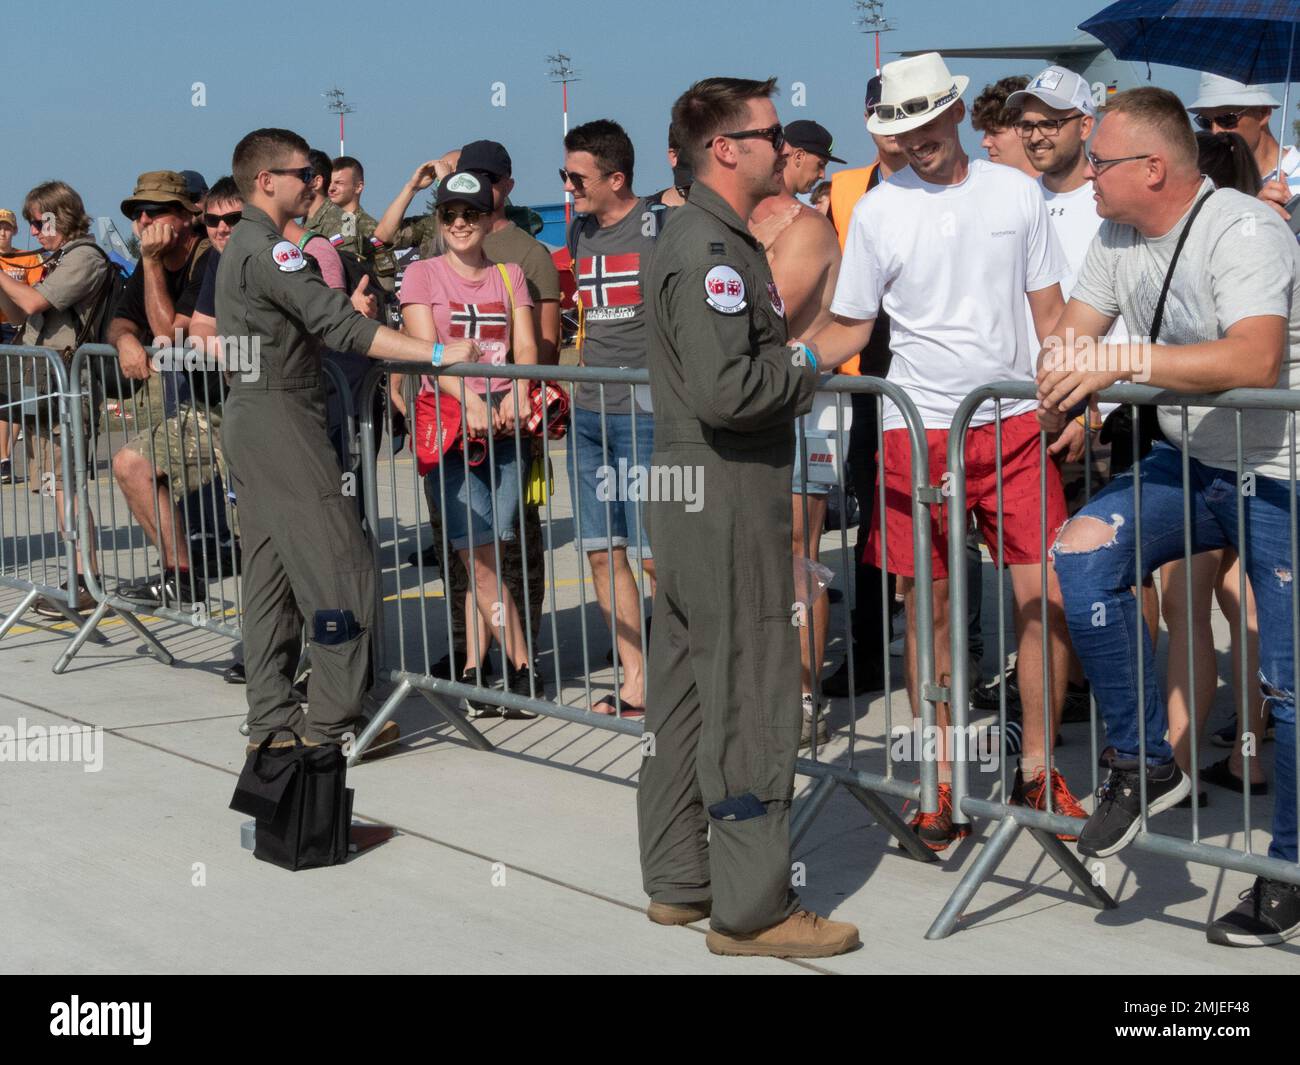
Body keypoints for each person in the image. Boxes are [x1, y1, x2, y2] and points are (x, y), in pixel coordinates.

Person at [1037, 88, 1300, 945]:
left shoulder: (1247, 231)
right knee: (1080, 555)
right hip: (1191, 457)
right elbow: (1074, 336)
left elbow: (1257, 356)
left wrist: (1119, 363)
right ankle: (1142, 760)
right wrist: (1064, 383)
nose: (1089, 177)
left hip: (1281, 469)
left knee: (1288, 685)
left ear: (1153, 168)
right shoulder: (1115, 235)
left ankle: (1291, 869)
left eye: (1100, 162)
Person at [805, 52, 1083, 850]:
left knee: (1045, 599)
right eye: (899, 126)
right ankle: (942, 782)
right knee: (927, 613)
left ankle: (1036, 766)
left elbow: (1052, 310)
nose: (916, 138)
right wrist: (788, 365)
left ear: (957, 114)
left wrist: (1070, 391)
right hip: (913, 427)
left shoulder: (1017, 190)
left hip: (1019, 423)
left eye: (927, 121)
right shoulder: (878, 210)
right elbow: (852, 327)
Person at [639, 75, 859, 958]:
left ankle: (680, 880)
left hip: (693, 485)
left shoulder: (696, 235)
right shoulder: (714, 253)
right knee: (753, 695)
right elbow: (732, 391)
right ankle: (754, 905)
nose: (787, 148)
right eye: (769, 135)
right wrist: (813, 367)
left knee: (687, 690)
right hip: (726, 487)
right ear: (727, 149)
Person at [214, 127, 479, 755]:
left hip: (256, 414)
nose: (313, 183)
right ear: (266, 181)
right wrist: (437, 353)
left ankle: (274, 725)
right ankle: (333, 724)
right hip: (281, 418)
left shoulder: (245, 248)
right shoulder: (271, 251)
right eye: (303, 173)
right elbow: (340, 325)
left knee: (271, 578)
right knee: (346, 571)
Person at [391, 169, 542, 712]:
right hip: (450, 430)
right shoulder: (422, 276)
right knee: (476, 556)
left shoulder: (510, 275)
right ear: (438, 220)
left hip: (505, 428)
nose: (459, 223)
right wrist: (470, 399)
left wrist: (520, 393)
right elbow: (425, 350)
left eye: (470, 214)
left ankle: (477, 672)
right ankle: (524, 667)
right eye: (449, 214)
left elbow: (525, 346)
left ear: (487, 219)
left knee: (490, 552)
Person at [748, 118, 843, 746]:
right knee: (752, 555)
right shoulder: (739, 226)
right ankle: (762, 684)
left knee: (797, 557)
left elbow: (761, 321)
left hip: (806, 409)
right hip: (752, 407)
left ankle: (804, 693)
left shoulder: (807, 228)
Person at [562, 119, 659, 717]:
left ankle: (682, 678)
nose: (569, 187)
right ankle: (636, 679)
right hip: (588, 414)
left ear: (616, 177)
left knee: (656, 556)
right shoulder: (577, 232)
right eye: (565, 176)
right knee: (602, 551)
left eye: (578, 177)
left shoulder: (660, 225)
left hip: (647, 415)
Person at [820, 73, 905, 699]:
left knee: (954, 527)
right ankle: (871, 653)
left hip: (941, 386)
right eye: (879, 110)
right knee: (872, 522)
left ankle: (972, 652)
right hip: (868, 385)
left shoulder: (960, 187)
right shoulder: (847, 189)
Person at [0, 182, 110, 614]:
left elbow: (31, 303)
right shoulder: (59, 258)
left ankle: (87, 578)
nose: (32, 230)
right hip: (43, 386)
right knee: (53, 486)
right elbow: (15, 314)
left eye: (38, 221)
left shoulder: (84, 257)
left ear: (62, 216)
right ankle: (75, 575)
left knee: (68, 487)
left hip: (68, 386)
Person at [107, 171, 215, 608]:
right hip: (201, 406)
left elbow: (168, 331)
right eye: (137, 213)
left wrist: (149, 263)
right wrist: (125, 340)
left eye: (155, 211)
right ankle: (180, 575)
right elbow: (120, 319)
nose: (143, 221)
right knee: (132, 465)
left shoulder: (207, 258)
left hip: (241, 405)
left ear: (187, 217)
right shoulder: (155, 261)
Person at [1186, 72, 1300, 222]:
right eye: (1206, 122)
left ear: (1263, 113)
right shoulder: (1206, 182)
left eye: (1227, 119)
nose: (1215, 131)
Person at [0, 208, 44, 482]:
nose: (2, 232)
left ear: (14, 230)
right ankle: (2, 458)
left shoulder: (26, 258)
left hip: (18, 328)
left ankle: (5, 455)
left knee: (17, 396)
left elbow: (37, 288)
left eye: (6, 227)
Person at [328, 155, 397, 295]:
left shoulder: (372, 230)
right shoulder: (319, 224)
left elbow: (385, 285)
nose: (331, 188)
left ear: (358, 187)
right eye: (329, 182)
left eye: (339, 183)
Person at [971, 75, 1037, 178]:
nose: (984, 143)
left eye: (995, 132)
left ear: (1027, 128)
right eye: (985, 132)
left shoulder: (1064, 190)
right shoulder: (987, 190)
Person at [302, 149, 345, 243]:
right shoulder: (305, 221)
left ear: (317, 182)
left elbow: (345, 257)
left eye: (301, 176)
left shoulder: (340, 221)